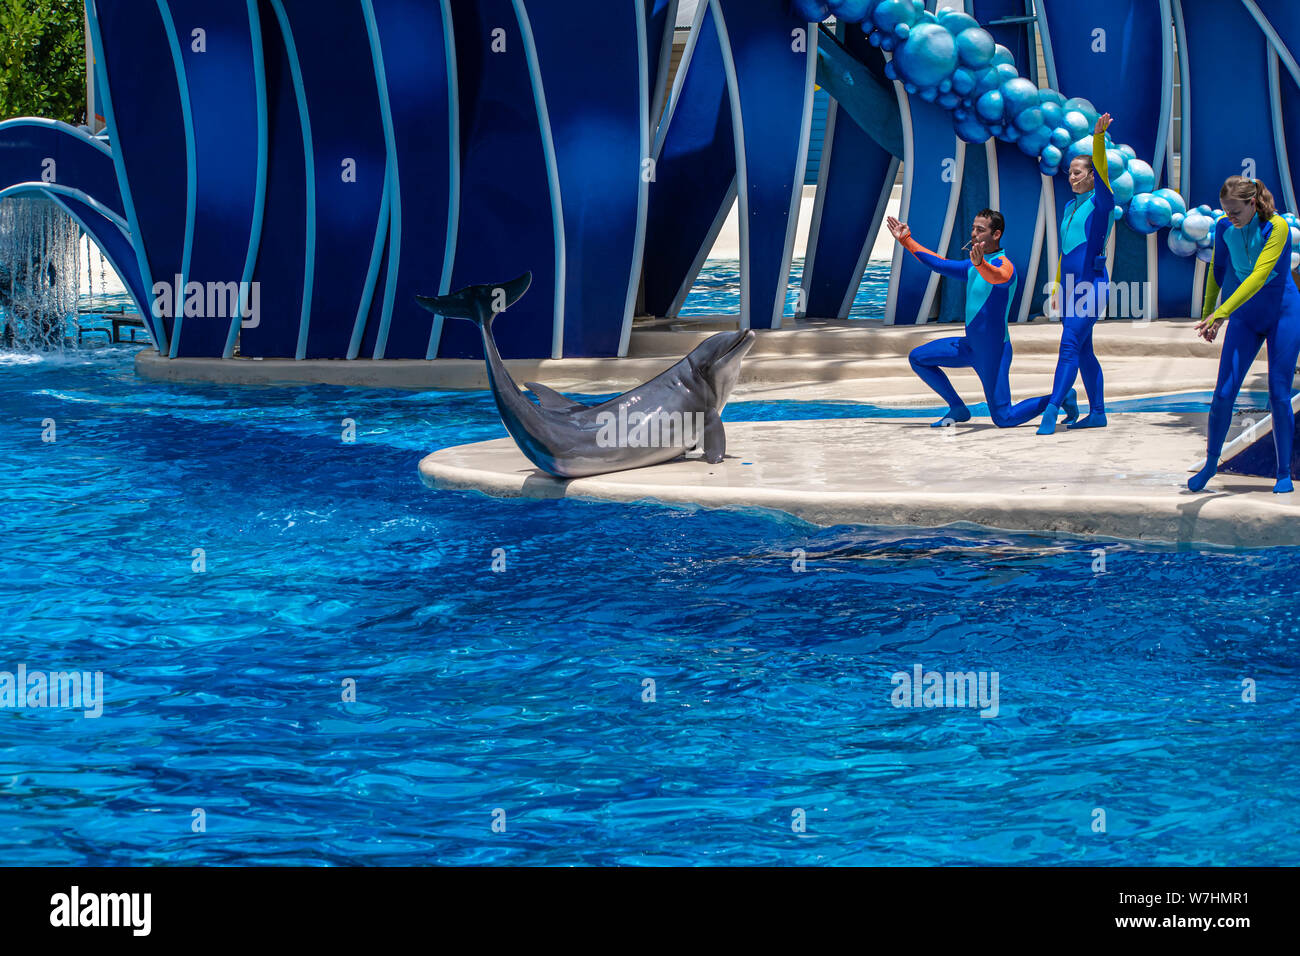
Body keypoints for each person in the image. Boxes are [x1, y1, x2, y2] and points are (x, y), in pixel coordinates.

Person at [887, 210, 1076, 428]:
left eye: (980, 229)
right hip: (969, 347)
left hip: (993, 353)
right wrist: (906, 240)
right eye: (973, 228)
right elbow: (938, 263)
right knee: (918, 358)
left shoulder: (1004, 265)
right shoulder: (972, 267)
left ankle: (1061, 397)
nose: (974, 233)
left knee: (1004, 418)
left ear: (996, 235)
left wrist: (980, 265)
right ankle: (957, 408)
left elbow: (998, 277)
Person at [1190, 176, 1300, 494]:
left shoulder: (1276, 227)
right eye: (1226, 210)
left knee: (1278, 394)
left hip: (1283, 314)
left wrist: (1222, 312)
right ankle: (1211, 464)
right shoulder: (1224, 227)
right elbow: (1218, 271)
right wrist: (1208, 315)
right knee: (1223, 393)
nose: (1230, 217)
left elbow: (1259, 277)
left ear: (1252, 204)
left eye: (1235, 211)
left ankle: (1282, 472)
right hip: (1245, 318)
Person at [1039, 112, 1116, 434]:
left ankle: (1052, 410)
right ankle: (1097, 413)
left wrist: (1097, 138)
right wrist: (1056, 287)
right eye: (1069, 173)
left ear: (1091, 176)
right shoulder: (1070, 207)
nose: (1071, 177)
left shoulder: (1102, 203)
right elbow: (1064, 252)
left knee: (1069, 344)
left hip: (1093, 284)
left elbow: (1102, 170)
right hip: (1070, 285)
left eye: (1077, 173)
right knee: (1083, 349)